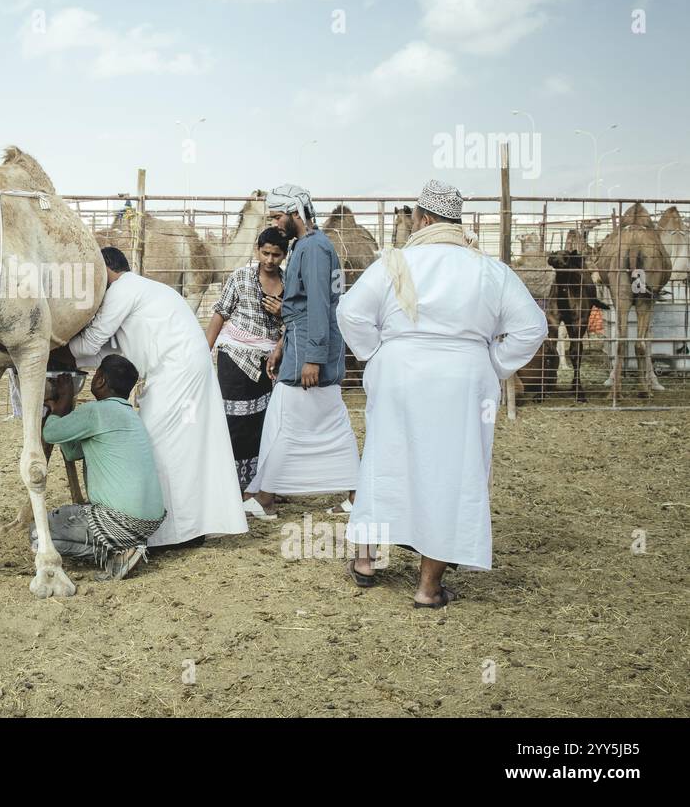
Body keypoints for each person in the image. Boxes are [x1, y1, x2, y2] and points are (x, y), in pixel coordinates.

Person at [337, 180, 547, 607]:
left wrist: (375, 355)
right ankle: (428, 588)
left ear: (423, 219)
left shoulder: (395, 263)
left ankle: (365, 561)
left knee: (385, 458)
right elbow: (532, 328)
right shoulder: (490, 269)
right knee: (452, 472)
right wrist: (495, 361)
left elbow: (350, 311)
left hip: (400, 374)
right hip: (463, 380)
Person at [63, 247, 248, 548]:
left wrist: (55, 348)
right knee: (183, 448)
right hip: (178, 370)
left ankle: (169, 532)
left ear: (106, 270)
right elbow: (109, 350)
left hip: (178, 372)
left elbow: (93, 340)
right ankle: (187, 529)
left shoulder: (123, 289)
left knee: (159, 445)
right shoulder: (140, 291)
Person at [246, 184, 359, 519]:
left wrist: (312, 357)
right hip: (301, 344)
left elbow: (319, 307)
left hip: (310, 352)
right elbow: (301, 307)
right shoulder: (307, 246)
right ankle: (357, 493)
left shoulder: (312, 249)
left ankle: (266, 496)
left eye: (279, 216)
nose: (276, 224)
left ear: (295, 211)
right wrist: (283, 345)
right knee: (323, 421)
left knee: (289, 420)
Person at [35, 354, 165, 580]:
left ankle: (119, 552)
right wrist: (63, 413)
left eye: (96, 374)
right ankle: (129, 545)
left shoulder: (96, 411)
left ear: (101, 380)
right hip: (150, 523)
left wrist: (62, 403)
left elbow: (50, 433)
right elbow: (72, 452)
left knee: (39, 534)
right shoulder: (128, 415)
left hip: (119, 520)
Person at [205, 226, 288, 507]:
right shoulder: (240, 278)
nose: (270, 260)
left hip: (270, 361)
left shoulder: (289, 283)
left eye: (276, 255)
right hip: (235, 355)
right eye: (265, 253)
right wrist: (204, 350)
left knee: (261, 423)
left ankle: (254, 487)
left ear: (283, 256)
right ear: (257, 251)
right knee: (233, 421)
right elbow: (220, 313)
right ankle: (227, 486)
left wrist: (283, 311)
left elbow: (293, 324)